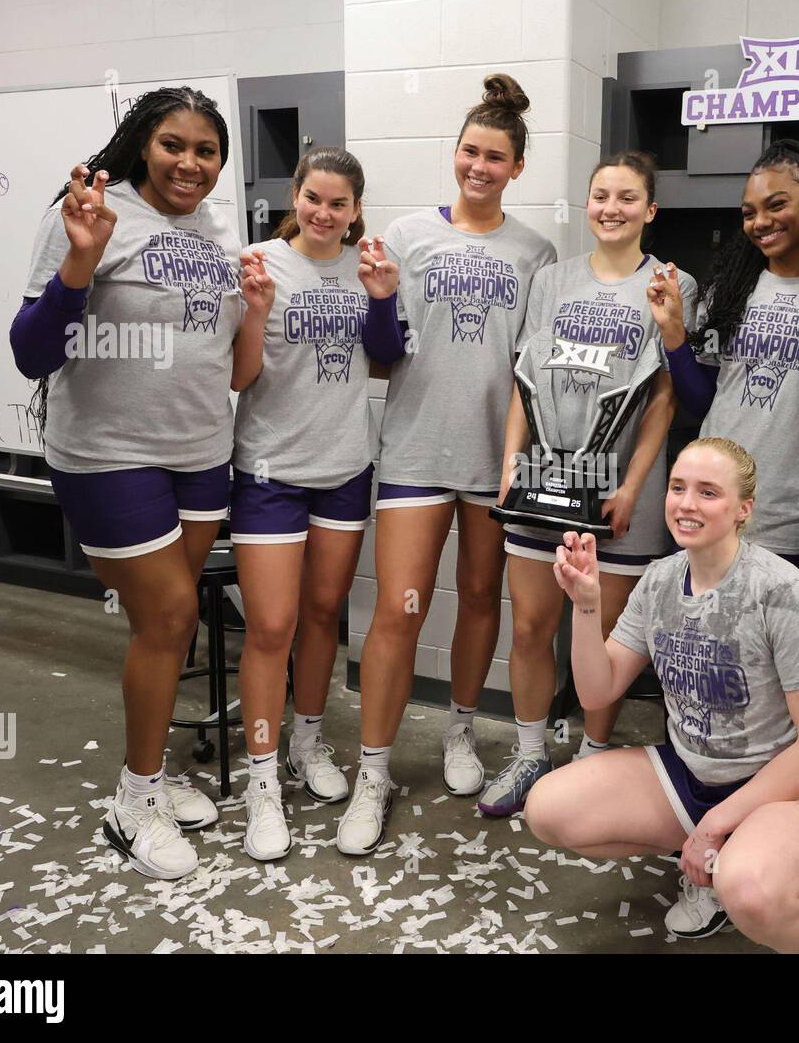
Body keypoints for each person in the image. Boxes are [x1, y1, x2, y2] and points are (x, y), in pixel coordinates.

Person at [9, 87, 250, 880]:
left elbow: (224, 354)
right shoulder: (89, 213)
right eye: (174, 145)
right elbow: (32, 352)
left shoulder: (216, 231)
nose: (190, 162)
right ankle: (133, 801)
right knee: (171, 613)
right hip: (110, 453)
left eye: (206, 151)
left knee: (168, 626)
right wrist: (80, 260)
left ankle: (148, 770)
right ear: (143, 143)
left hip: (202, 451)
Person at [525, 438, 799, 952]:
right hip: (695, 776)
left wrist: (714, 825)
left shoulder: (784, 593)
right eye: (679, 488)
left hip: (797, 792)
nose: (686, 503)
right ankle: (717, 869)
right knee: (548, 808)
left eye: (708, 492)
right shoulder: (659, 581)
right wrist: (587, 606)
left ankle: (795, 922)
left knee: (750, 889)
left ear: (743, 509)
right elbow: (598, 693)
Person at [338, 74, 557, 855]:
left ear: (516, 167)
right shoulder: (402, 236)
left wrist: (524, 459)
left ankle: (461, 731)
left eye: (495, 156)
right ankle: (373, 774)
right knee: (398, 608)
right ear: (454, 155)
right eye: (470, 151)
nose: (480, 166)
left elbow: (536, 368)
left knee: (478, 597)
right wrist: (376, 300)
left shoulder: (537, 251)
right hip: (415, 451)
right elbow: (379, 356)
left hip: (495, 460)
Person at [479, 150, 681, 817]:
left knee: (607, 638)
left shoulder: (671, 285)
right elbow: (524, 380)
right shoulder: (554, 280)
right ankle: (531, 752)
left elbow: (663, 402)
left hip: (618, 496)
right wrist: (512, 462)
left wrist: (631, 488)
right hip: (543, 483)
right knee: (532, 626)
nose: (611, 208)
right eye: (600, 195)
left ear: (649, 210)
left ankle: (595, 753)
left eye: (627, 197)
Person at [228, 148, 395, 860]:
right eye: (313, 198)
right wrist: (257, 312)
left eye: (339, 203)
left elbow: (385, 358)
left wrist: (385, 298)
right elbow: (238, 373)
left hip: (344, 467)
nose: (324, 214)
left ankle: (305, 743)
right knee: (271, 625)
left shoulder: (368, 267)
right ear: (293, 196)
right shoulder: (259, 262)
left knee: (325, 613)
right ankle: (261, 782)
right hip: (269, 469)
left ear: (355, 208)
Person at [660, 138, 799, 586]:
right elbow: (704, 400)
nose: (761, 222)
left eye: (776, 205)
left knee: (782, 653)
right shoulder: (728, 291)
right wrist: (673, 335)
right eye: (749, 213)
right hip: (714, 510)